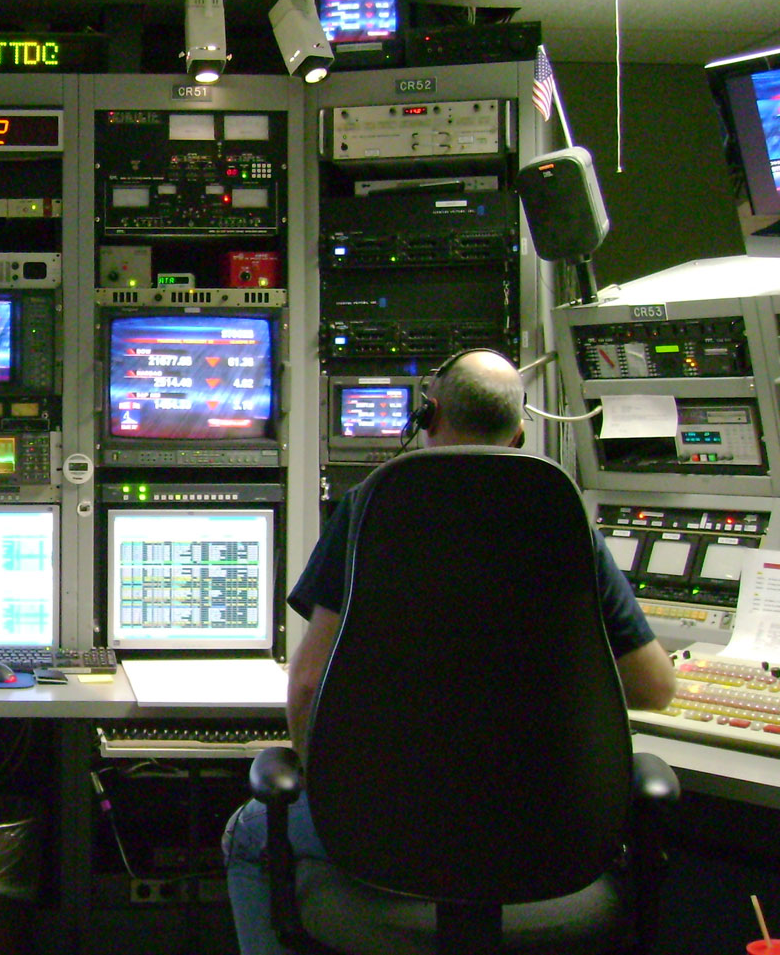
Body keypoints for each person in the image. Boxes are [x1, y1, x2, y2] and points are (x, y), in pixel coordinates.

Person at [221, 348, 678, 955]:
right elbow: (654, 688)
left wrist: (322, 787)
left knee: (250, 834)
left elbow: (307, 685)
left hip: (386, 837)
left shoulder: (371, 507)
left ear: (428, 416)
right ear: (518, 435)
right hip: (547, 842)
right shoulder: (560, 512)